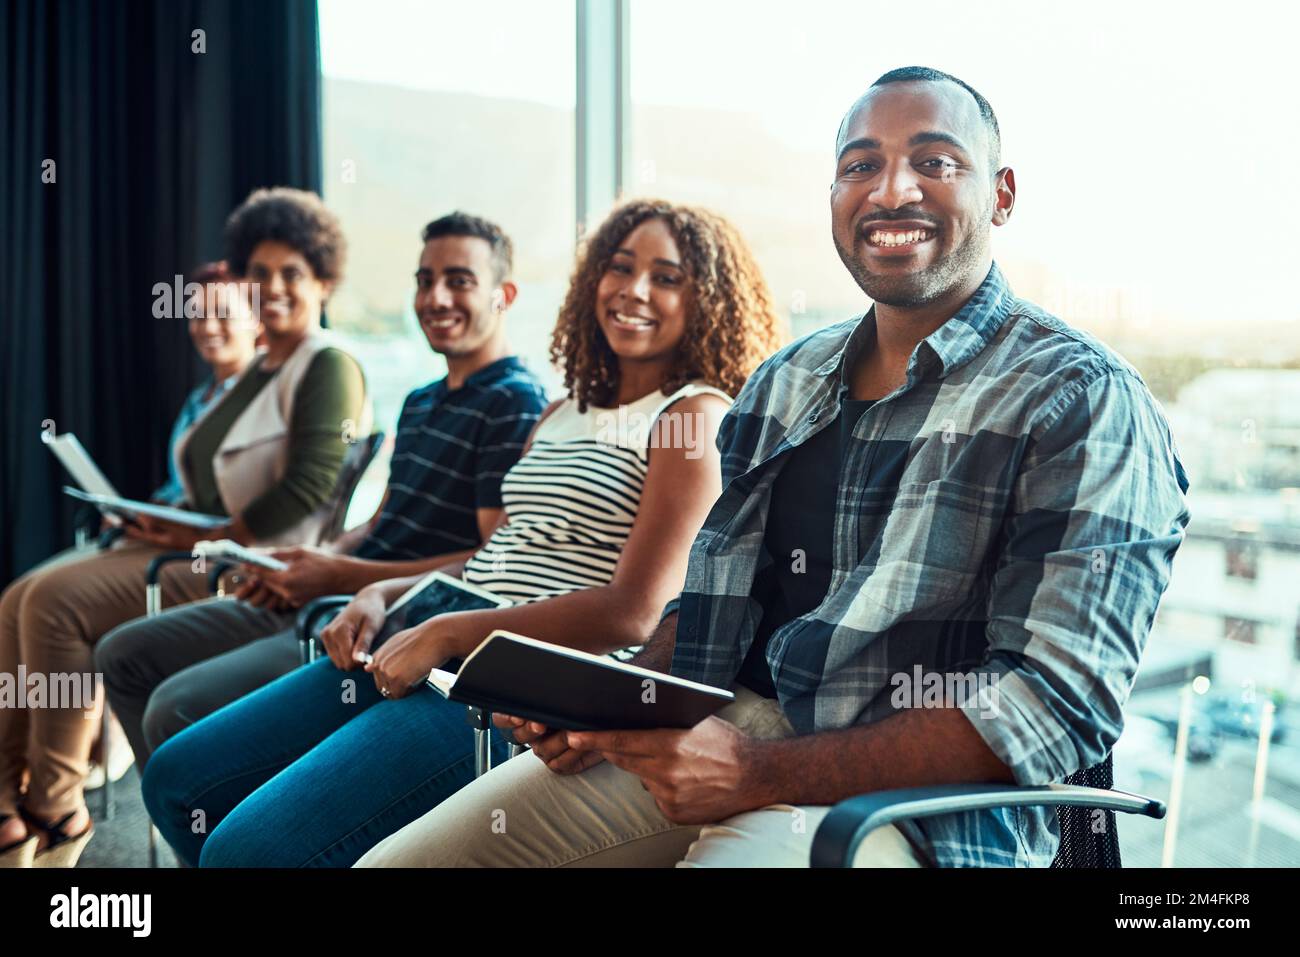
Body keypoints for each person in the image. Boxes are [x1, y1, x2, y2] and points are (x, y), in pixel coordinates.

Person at [358, 66, 1191, 870]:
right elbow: (710, 604)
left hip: (923, 802)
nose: (891, 189)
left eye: (935, 162)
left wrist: (761, 774)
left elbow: (1056, 701)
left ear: (1001, 194)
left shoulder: (1081, 395)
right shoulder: (788, 379)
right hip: (729, 727)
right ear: (833, 197)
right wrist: (611, 704)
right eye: (860, 165)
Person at [141, 199, 785, 867]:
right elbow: (496, 556)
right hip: (427, 628)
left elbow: (634, 613)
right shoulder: (564, 409)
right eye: (620, 267)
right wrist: (386, 596)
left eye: (667, 276)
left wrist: (450, 633)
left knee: (247, 851)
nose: (634, 289)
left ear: (707, 299)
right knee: (179, 777)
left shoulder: (693, 416)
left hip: (511, 683)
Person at [96, 212, 548, 774]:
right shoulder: (422, 399)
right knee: (123, 654)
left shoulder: (513, 403)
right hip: (331, 593)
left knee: (176, 708)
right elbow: (382, 522)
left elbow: (493, 560)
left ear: (504, 295)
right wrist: (310, 562)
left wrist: (337, 576)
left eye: (459, 281)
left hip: (386, 621)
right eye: (424, 280)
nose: (435, 297)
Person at [0, 187, 370, 867]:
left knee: (53, 603)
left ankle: (55, 804)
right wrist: (167, 519)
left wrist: (202, 533)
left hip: (258, 570)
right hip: (210, 549)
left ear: (323, 281)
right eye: (259, 275)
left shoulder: (326, 362)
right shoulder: (259, 371)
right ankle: (13, 794)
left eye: (293, 273)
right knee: (21, 596)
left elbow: (309, 486)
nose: (275, 289)